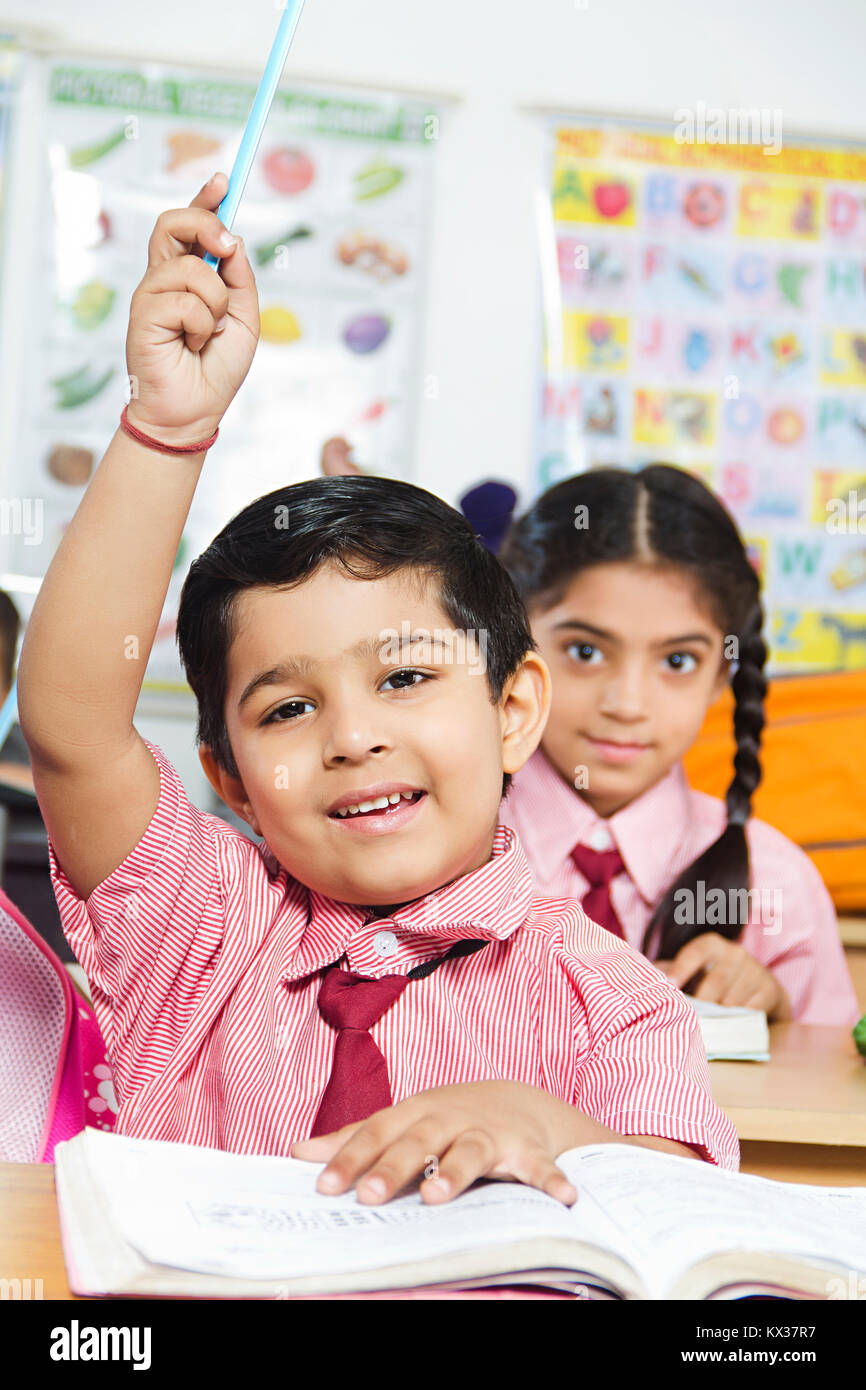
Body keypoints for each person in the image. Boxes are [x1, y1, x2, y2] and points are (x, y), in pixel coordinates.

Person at [17, 174, 738, 1214]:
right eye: (285, 708)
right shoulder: (202, 920)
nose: (353, 736)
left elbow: (687, 1221)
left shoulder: (616, 1000)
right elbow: (75, 724)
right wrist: (167, 427)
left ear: (511, 709)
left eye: (403, 677)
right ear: (225, 770)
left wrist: (548, 1130)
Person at [497, 468, 859, 1027]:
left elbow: (834, 1097)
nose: (627, 704)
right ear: (514, 646)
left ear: (721, 674)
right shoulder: (434, 845)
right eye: (586, 651)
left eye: (677, 661)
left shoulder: (777, 883)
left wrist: (776, 1016)